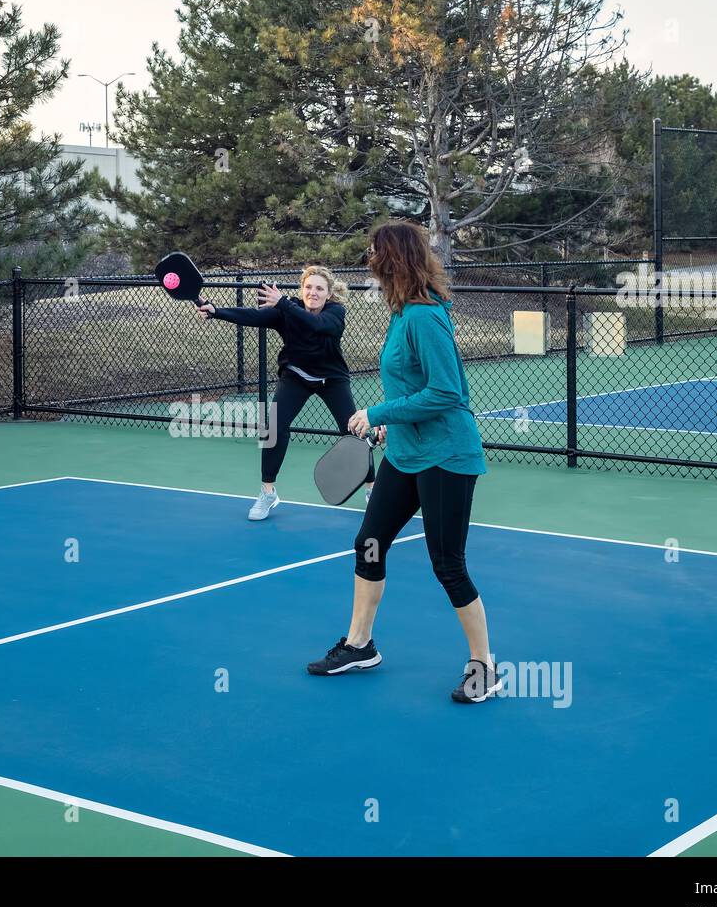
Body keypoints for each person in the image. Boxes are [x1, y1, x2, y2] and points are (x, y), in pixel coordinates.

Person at [305, 220, 500, 704]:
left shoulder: (424, 316)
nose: (369, 260)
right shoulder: (400, 314)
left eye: (375, 252)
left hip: (447, 456)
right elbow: (418, 387)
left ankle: (485, 667)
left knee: (447, 564)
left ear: (394, 259)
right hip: (407, 453)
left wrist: (378, 412)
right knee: (369, 543)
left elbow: (448, 393)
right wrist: (394, 422)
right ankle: (359, 645)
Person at [197, 266, 374, 520]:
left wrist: (282, 303)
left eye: (319, 288)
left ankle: (371, 489)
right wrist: (216, 311)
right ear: (302, 290)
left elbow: (316, 325)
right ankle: (267, 492)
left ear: (328, 294)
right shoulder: (288, 310)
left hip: (332, 379)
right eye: (309, 287)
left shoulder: (336, 313)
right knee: (273, 428)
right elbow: (254, 317)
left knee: (353, 432)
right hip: (296, 377)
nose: (313, 292)